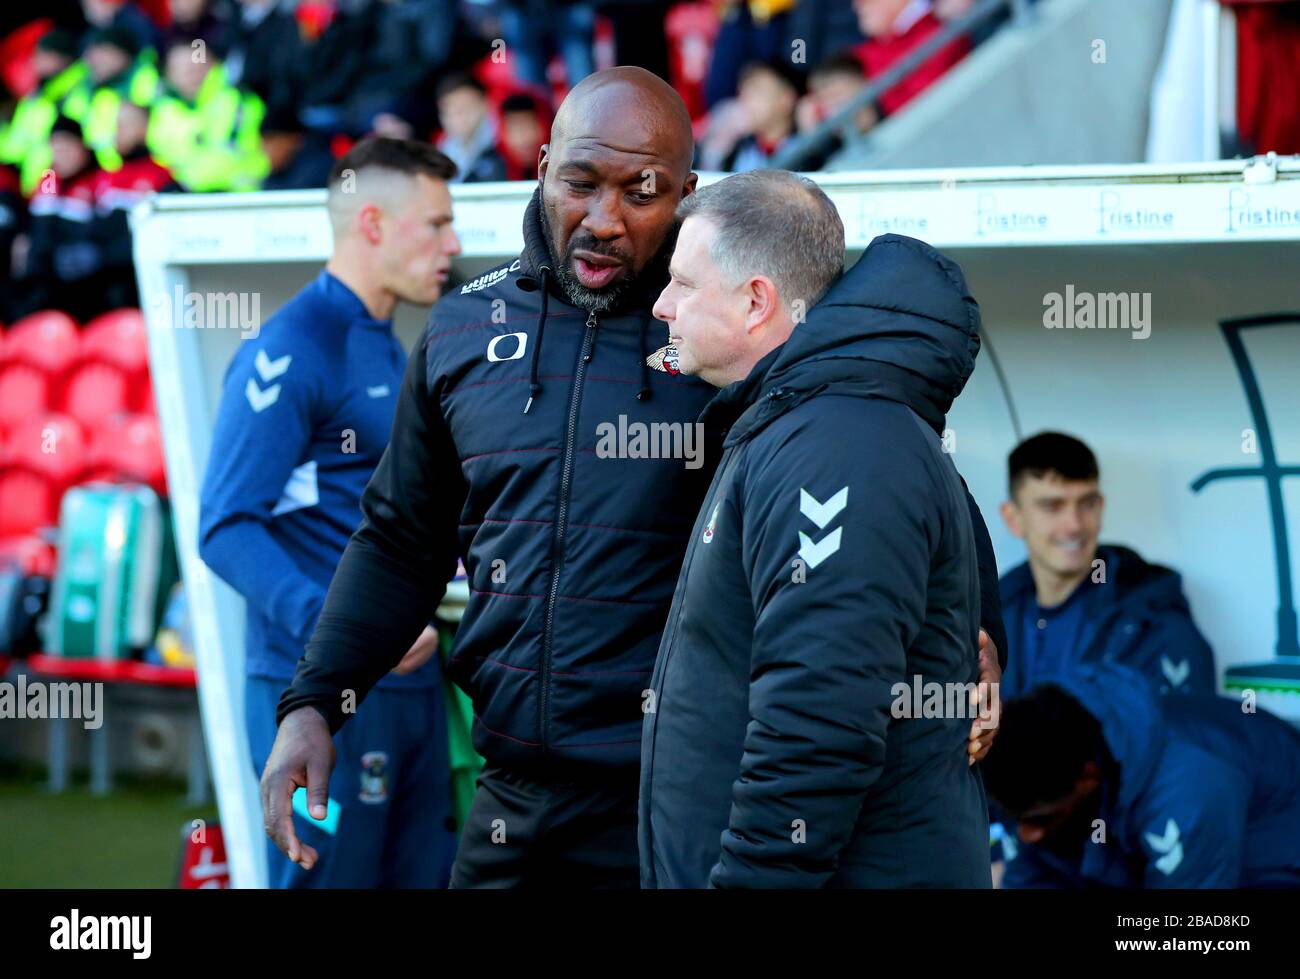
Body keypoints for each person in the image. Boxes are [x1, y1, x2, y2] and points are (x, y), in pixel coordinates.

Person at [262, 67, 1002, 889]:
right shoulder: (465, 328)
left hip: (670, 804)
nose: (604, 220)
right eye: (580, 183)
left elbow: (894, 468)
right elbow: (401, 538)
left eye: (641, 193)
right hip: (509, 796)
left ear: (686, 195)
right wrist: (316, 700)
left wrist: (979, 632)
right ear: (542, 166)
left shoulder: (721, 331)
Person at [640, 170, 997, 888]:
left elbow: (820, 715)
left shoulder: (837, 440)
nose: (661, 306)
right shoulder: (809, 421)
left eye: (682, 283)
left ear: (755, 301)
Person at [199, 137, 463, 888]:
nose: (454, 244)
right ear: (372, 222)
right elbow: (225, 525)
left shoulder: (389, 346)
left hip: (408, 687)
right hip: (316, 695)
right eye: (437, 224)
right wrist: (340, 632)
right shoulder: (290, 348)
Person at [983, 662, 1300, 888]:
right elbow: (1035, 874)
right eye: (1017, 818)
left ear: (1089, 777)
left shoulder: (1188, 793)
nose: (1028, 835)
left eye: (1040, 820)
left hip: (1273, 865)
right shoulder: (1044, 767)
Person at [997, 432, 1216, 698]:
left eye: (1086, 503)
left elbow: (1185, 735)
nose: (1074, 525)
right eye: (1052, 506)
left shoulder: (1154, 626)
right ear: (1013, 518)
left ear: (1101, 508)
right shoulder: (991, 616)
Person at [146, 40, 268, 191]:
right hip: (183, 202)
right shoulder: (163, 111)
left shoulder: (240, 101)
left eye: (196, 68)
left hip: (240, 198)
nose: (190, 76)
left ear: (213, 66)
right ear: (169, 75)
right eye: (180, 70)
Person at [721, 59, 802, 171]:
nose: (745, 100)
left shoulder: (810, 151)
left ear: (786, 100)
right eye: (744, 93)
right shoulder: (738, 152)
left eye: (757, 92)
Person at [435, 74, 508, 184]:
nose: (457, 118)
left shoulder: (506, 143)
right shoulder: (444, 149)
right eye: (448, 112)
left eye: (464, 109)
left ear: (485, 104)